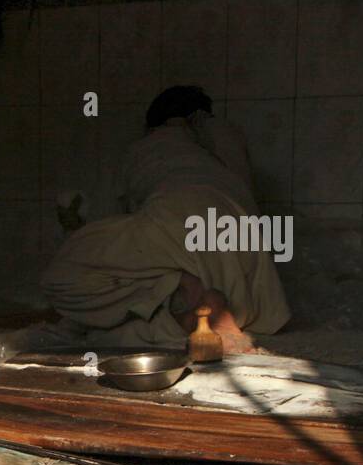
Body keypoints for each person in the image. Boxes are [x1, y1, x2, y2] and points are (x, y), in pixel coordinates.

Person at [42, 85, 289, 352]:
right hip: (242, 237)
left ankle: (190, 294)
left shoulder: (144, 148)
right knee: (146, 299)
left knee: (62, 274)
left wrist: (73, 230)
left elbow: (110, 223)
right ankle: (209, 311)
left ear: (152, 124)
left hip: (177, 215)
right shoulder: (218, 145)